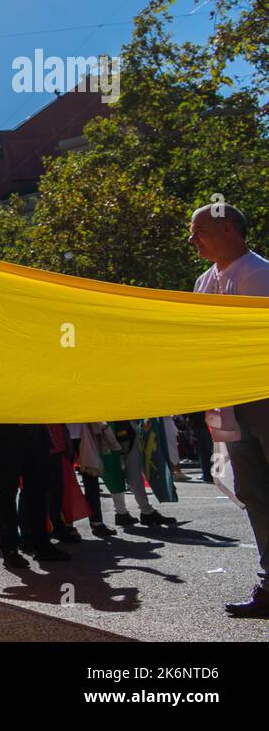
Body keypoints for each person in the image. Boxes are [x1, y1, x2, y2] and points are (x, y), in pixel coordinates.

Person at [189, 202, 269, 618]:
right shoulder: (205, 280)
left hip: (263, 396)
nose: (192, 239)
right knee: (255, 493)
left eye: (199, 230)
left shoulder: (258, 274)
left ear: (229, 230)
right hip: (232, 402)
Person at [0, 424, 69, 568]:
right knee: (7, 494)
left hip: (35, 433)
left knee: (38, 492)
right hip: (5, 433)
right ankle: (10, 551)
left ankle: (42, 545)